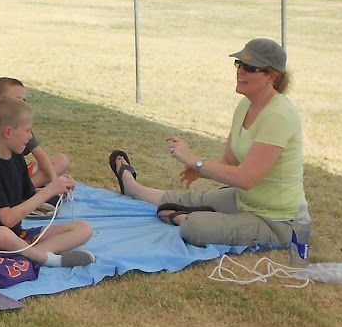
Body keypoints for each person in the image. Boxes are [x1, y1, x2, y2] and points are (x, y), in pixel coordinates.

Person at [109, 38, 309, 251]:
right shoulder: (245, 106)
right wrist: (199, 170)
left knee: (194, 228)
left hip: (278, 222)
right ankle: (134, 189)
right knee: (191, 199)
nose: (240, 71)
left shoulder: (279, 115)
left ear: (272, 76)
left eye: (250, 67)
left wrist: (197, 161)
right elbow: (230, 161)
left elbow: (246, 178)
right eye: (238, 64)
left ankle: (184, 218)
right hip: (245, 201)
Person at [0, 94, 95, 267]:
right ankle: (47, 259)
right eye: (27, 131)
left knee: (83, 228)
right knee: (1, 233)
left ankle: (28, 255)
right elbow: (7, 219)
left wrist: (60, 187)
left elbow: (28, 198)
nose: (30, 137)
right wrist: (49, 189)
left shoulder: (17, 159)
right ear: (8, 132)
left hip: (17, 235)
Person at [0, 77, 70, 191]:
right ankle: (23, 190)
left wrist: (54, 181)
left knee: (61, 161)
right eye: (17, 100)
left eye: (24, 100)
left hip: (10, 174)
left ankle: (24, 189)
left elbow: (40, 154)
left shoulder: (20, 125)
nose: (22, 105)